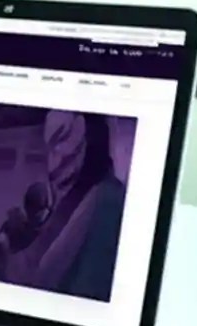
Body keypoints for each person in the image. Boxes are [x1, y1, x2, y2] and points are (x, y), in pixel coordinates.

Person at [26, 111, 127, 301]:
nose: (53, 164)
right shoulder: (69, 203)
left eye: (62, 138)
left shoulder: (108, 199)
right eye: (50, 148)